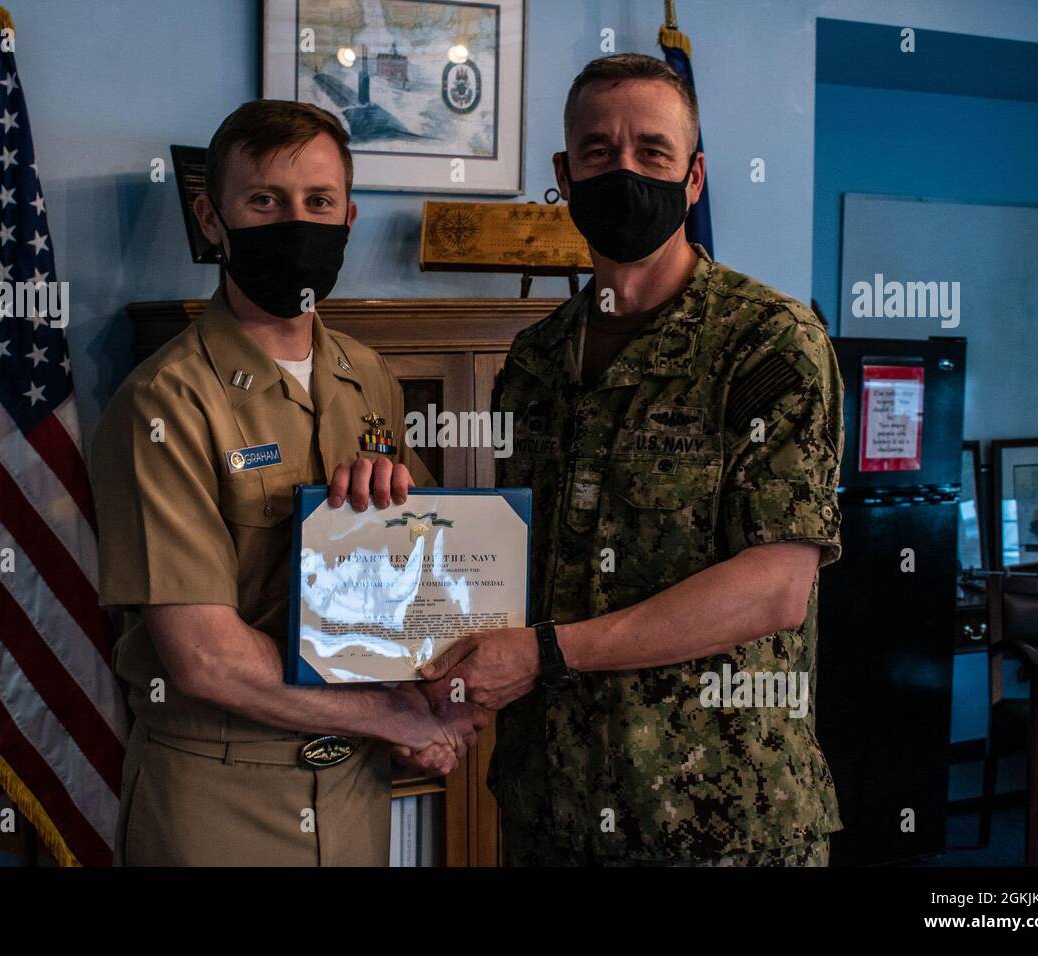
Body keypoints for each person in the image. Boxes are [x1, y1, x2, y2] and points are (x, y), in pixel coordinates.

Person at [421, 53, 844, 867]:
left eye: (652, 151)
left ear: (693, 178)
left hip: (720, 820)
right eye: (598, 152)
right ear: (564, 176)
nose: (624, 171)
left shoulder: (768, 344)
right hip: (551, 809)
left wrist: (546, 651)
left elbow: (776, 588)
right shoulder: (535, 361)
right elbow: (511, 565)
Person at [91, 100, 486, 866]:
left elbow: (429, 590)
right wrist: (391, 716)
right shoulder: (165, 403)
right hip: (222, 796)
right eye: (264, 201)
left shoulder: (368, 377)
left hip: (352, 790)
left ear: (348, 219)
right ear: (212, 220)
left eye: (318, 202)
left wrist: (437, 693)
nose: (294, 223)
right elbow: (204, 660)